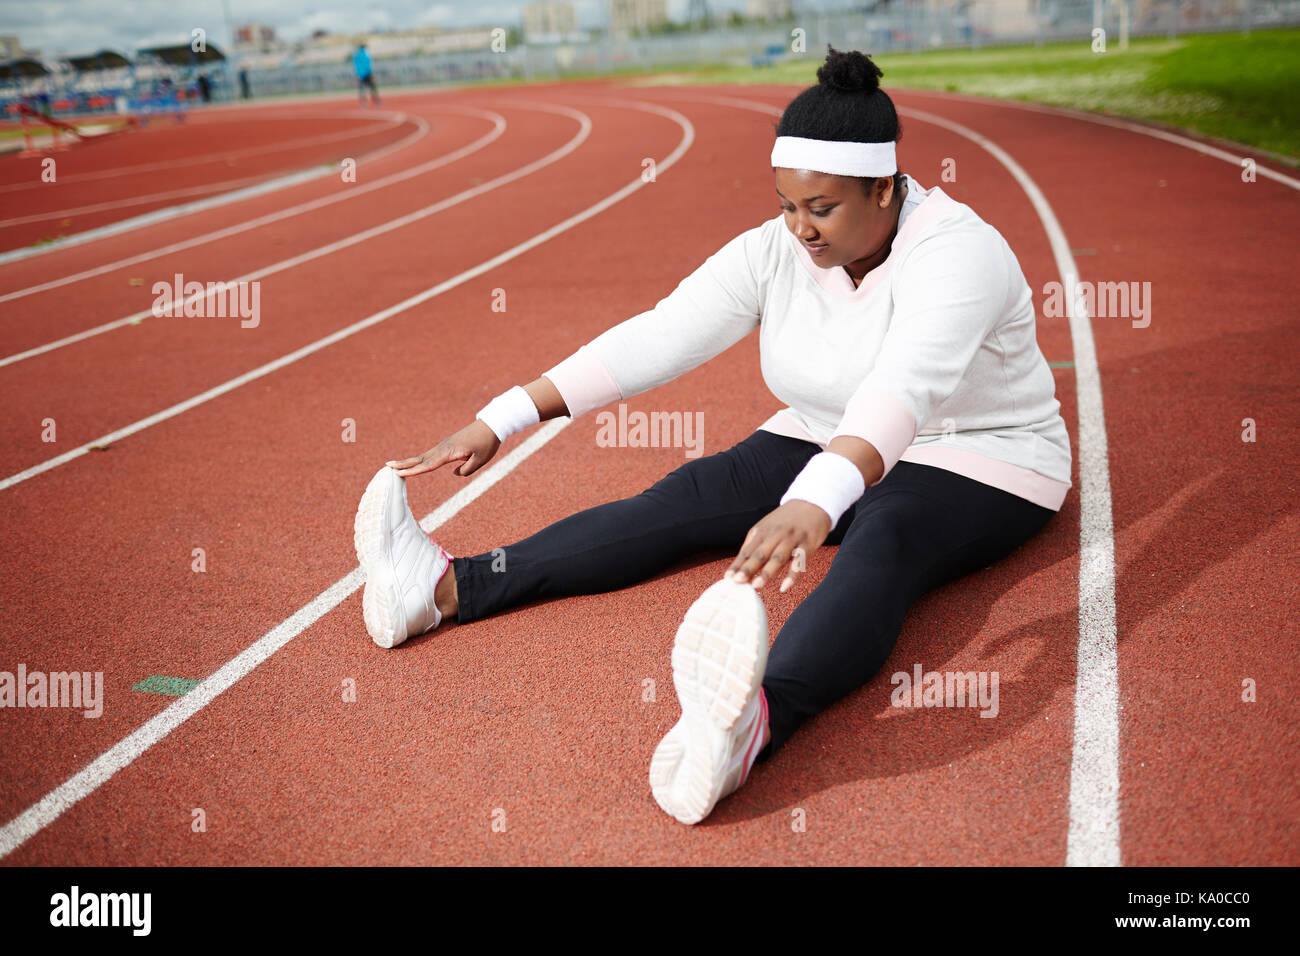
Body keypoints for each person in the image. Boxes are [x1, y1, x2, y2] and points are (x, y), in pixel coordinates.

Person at [353, 46, 1072, 825]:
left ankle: (751, 726)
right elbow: (659, 336)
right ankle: (442, 586)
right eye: (787, 203)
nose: (799, 228)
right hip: (823, 432)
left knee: (885, 539)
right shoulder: (777, 249)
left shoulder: (958, 250)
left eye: (821, 208)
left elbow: (907, 387)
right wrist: (505, 417)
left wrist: (818, 500)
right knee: (686, 497)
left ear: (883, 186)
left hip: (981, 452)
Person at [353, 41, 380, 107]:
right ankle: (376, 101)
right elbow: (368, 64)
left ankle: (363, 102)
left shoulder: (356, 55)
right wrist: (371, 73)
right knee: (372, 87)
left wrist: (357, 74)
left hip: (360, 74)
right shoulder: (366, 54)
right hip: (367, 73)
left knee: (362, 89)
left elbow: (356, 65)